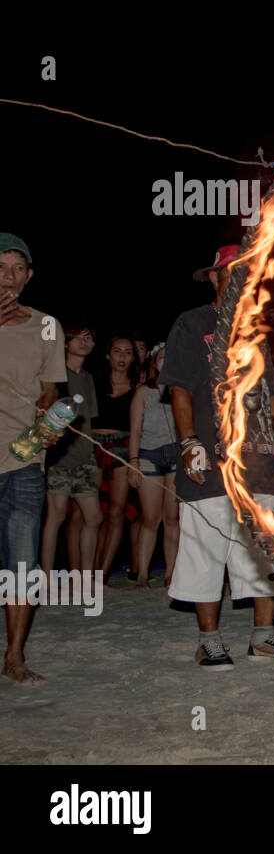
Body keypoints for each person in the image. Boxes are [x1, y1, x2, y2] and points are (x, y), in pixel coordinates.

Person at [163, 245, 274, 670]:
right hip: (212, 461)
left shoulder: (257, 337)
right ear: (215, 277)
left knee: (267, 554)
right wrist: (189, 443)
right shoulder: (193, 324)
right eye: (235, 274)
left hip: (260, 464)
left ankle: (264, 638)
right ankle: (209, 640)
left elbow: (268, 400)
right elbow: (180, 388)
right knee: (207, 550)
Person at [0, 233, 67, 685]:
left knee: (22, 565)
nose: (9, 277)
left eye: (17, 269)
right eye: (0, 267)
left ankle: (15, 655)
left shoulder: (47, 325)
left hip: (23, 459)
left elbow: (52, 386)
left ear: (29, 276)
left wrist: (47, 415)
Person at [40, 323, 102, 575]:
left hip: (85, 457)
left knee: (94, 517)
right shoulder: (56, 376)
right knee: (56, 517)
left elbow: (89, 421)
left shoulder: (87, 378)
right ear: (66, 343)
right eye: (79, 338)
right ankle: (44, 578)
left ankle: (85, 578)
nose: (85, 343)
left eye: (89, 338)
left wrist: (94, 455)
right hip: (59, 458)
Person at [126, 343, 181, 588]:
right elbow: (135, 430)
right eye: (162, 358)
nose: (166, 361)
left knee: (172, 518)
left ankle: (171, 573)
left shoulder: (182, 390)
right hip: (148, 455)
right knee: (151, 518)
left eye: (171, 358)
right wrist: (133, 462)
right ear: (154, 363)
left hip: (176, 456)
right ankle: (142, 574)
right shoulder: (143, 392)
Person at [93, 335, 140, 580]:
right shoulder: (94, 383)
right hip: (92, 446)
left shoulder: (137, 388)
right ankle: (85, 572)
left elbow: (137, 427)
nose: (123, 357)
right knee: (89, 512)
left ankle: (102, 573)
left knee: (117, 511)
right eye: (118, 351)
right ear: (108, 355)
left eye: (128, 352)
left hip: (122, 446)